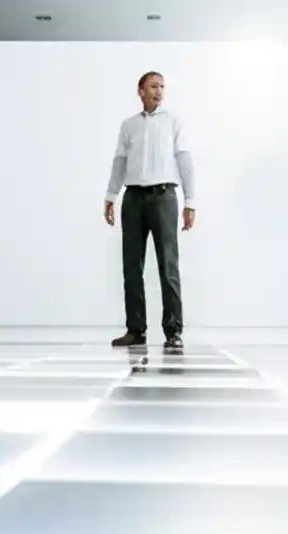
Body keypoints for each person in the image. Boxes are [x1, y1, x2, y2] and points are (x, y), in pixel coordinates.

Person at [104, 71, 196, 350]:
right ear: (141, 90)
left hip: (164, 197)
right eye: (153, 86)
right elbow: (119, 163)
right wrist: (111, 195)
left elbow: (185, 162)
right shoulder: (129, 125)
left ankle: (173, 332)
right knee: (132, 266)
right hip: (133, 199)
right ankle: (135, 330)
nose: (159, 91)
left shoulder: (173, 123)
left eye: (162, 87)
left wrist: (190, 201)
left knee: (168, 265)